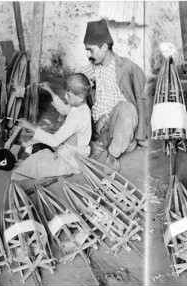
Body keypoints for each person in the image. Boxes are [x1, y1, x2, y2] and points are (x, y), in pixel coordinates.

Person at [78, 19, 148, 172]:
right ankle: (101, 144)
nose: (88, 55)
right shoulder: (93, 68)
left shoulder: (127, 67)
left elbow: (140, 98)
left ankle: (113, 155)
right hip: (97, 130)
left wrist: (142, 134)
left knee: (127, 108)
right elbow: (76, 79)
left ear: (103, 46)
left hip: (117, 126)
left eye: (91, 50)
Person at [10, 73, 92, 181]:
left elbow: (54, 141)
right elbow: (63, 109)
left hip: (72, 159)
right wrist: (50, 90)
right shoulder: (80, 106)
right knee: (37, 142)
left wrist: (32, 127)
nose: (65, 97)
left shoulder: (77, 117)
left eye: (69, 95)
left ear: (80, 97)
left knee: (31, 165)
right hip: (67, 149)